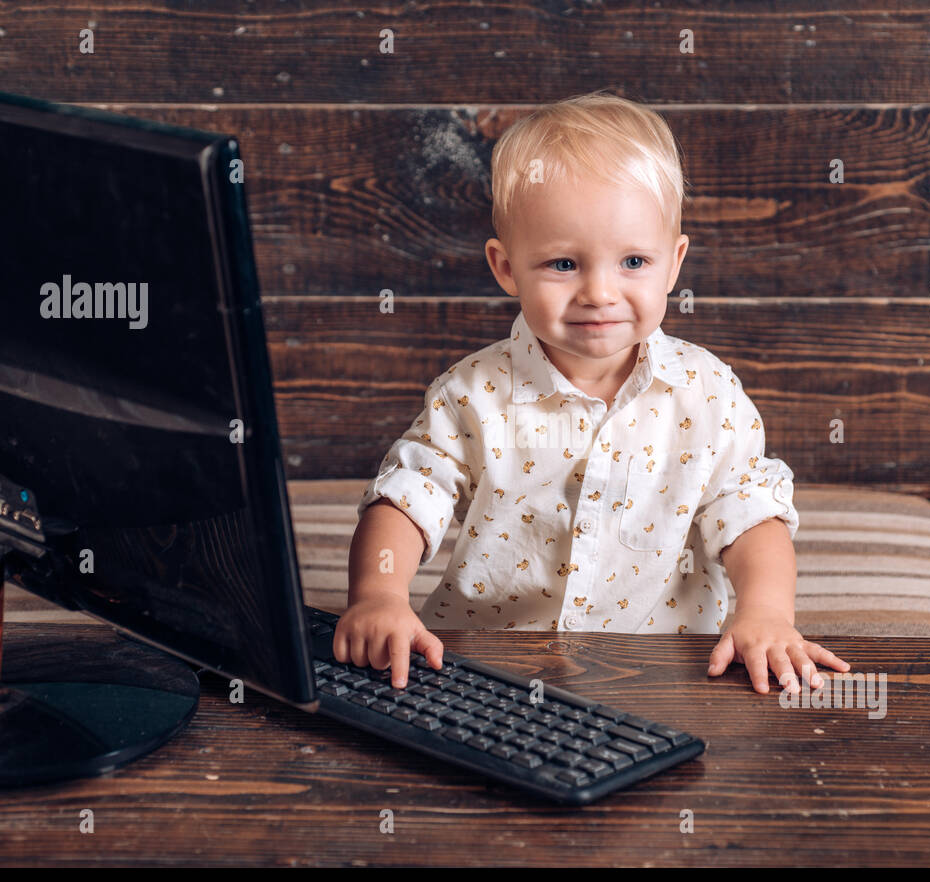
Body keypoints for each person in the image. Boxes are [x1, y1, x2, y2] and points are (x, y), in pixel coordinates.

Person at [336, 91, 850, 694]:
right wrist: (377, 597)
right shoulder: (473, 395)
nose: (599, 292)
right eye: (562, 264)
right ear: (506, 268)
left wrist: (765, 612)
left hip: (664, 673)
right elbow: (403, 502)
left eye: (633, 260)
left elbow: (749, 516)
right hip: (485, 669)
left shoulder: (706, 394)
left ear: (674, 263)